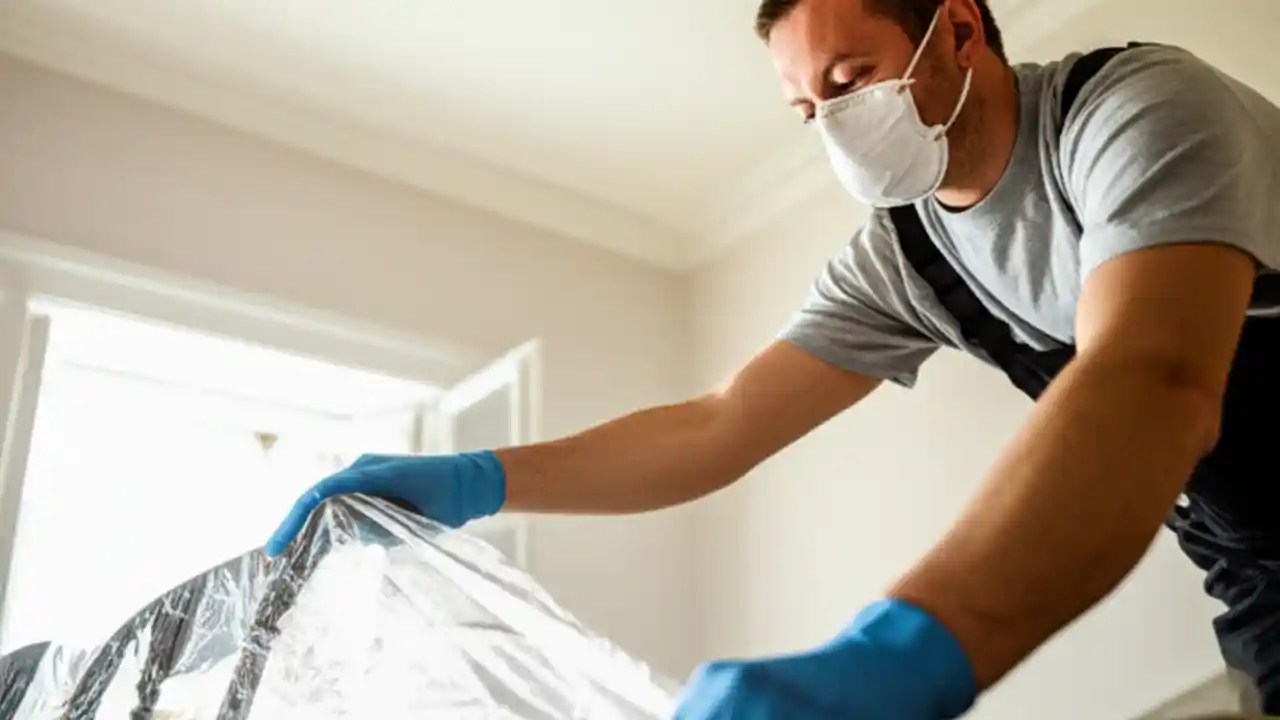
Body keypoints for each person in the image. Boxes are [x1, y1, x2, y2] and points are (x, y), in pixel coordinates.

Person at [266, 0, 1280, 716]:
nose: (835, 124)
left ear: (960, 29)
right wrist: (478, 479)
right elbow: (720, 425)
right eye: (809, 110)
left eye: (851, 81)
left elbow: (1152, 378)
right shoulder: (906, 259)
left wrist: (902, 653)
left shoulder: (1130, 112)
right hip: (1258, 582)